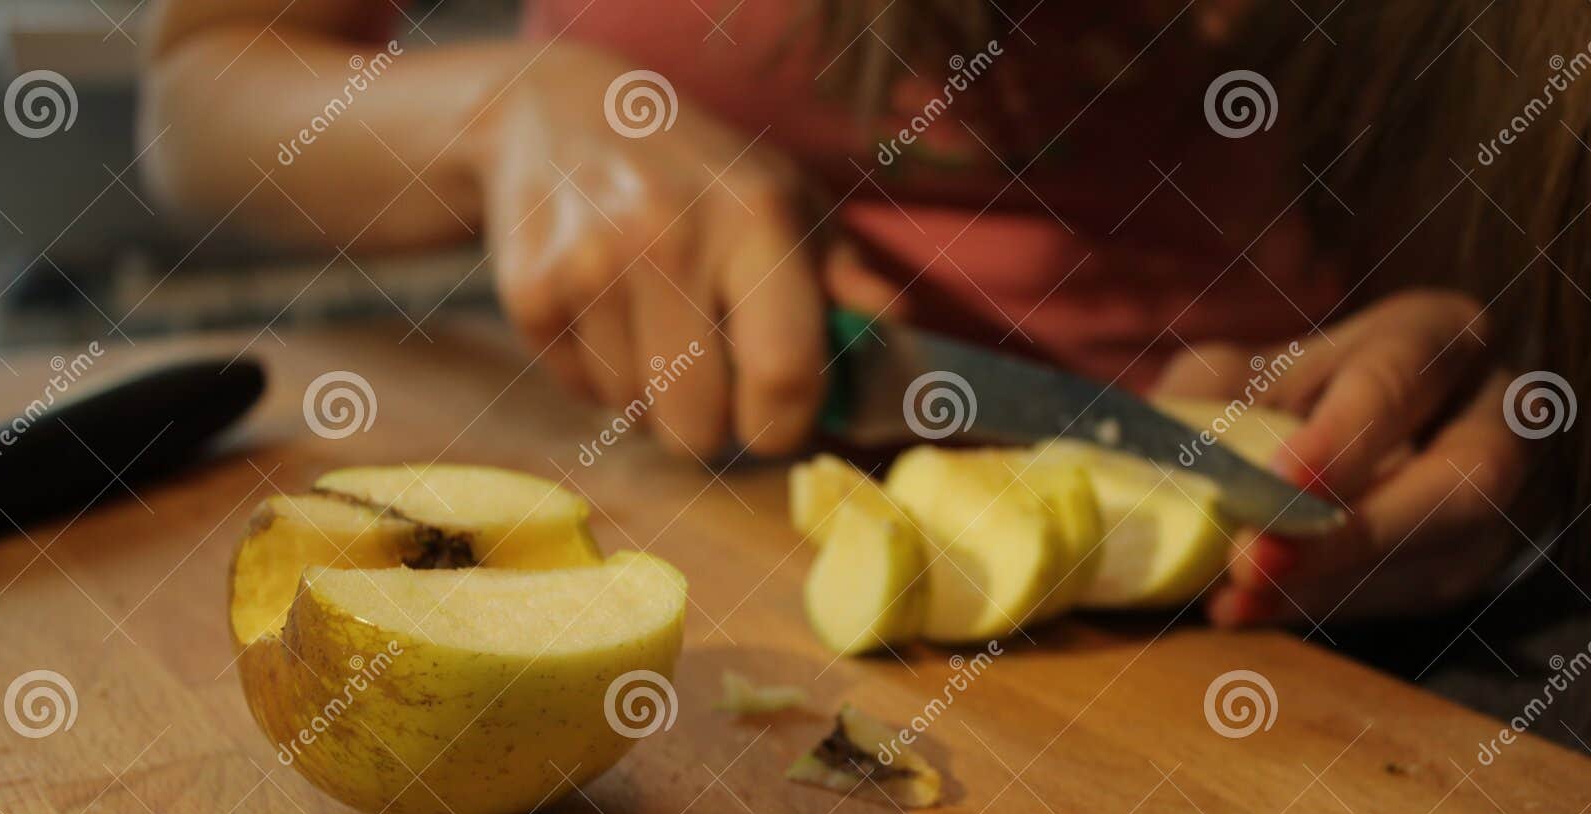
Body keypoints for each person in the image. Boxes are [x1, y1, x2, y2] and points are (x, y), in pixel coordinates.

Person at [141, 1, 1578, 628]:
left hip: (1291, 631)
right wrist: (508, 113)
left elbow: (1507, 352)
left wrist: (1501, 408)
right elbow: (204, 87)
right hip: (679, 502)